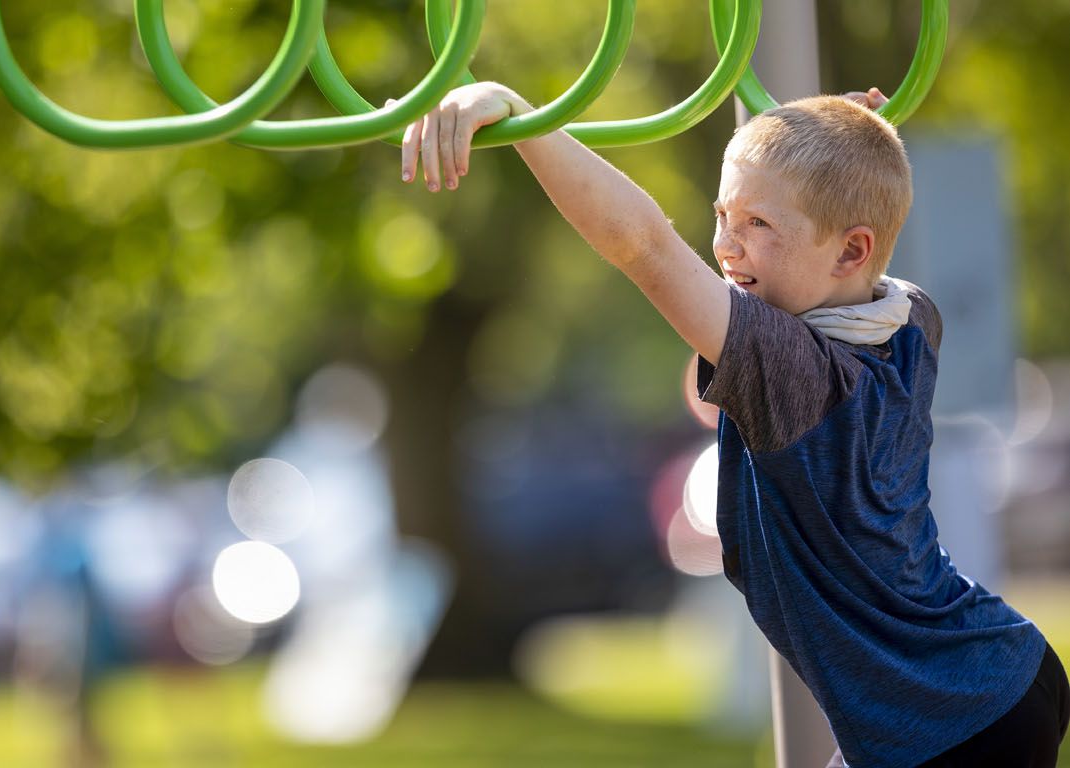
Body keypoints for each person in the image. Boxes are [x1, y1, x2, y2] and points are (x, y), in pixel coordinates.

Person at [391, 84, 1070, 767]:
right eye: (722, 214)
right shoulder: (910, 319)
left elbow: (644, 246)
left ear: (849, 252)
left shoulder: (794, 375)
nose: (723, 245)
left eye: (757, 226)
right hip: (989, 676)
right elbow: (848, 229)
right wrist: (829, 141)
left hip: (953, 722)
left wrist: (516, 112)